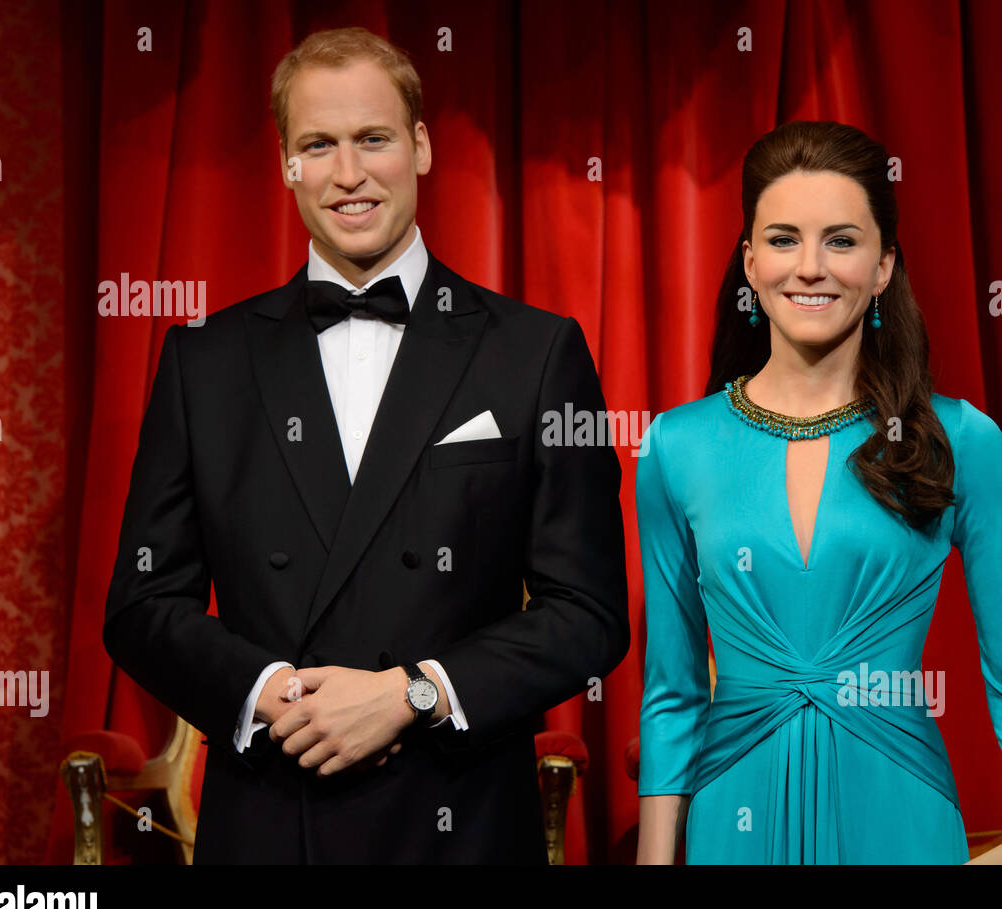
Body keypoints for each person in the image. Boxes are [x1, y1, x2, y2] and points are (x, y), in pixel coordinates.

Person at [102, 26, 629, 864]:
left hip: (462, 826)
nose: (348, 174)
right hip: (272, 822)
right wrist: (275, 694)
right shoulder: (202, 359)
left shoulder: (535, 352)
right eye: (319, 144)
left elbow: (590, 613)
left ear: (420, 145)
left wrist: (413, 693)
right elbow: (140, 606)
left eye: (372, 138)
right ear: (286, 163)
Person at [635, 120, 1002, 864]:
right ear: (749, 262)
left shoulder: (962, 440)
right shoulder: (675, 446)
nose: (810, 267)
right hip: (733, 814)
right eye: (782, 240)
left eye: (841, 240)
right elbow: (671, 694)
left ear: (883, 267)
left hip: (899, 812)